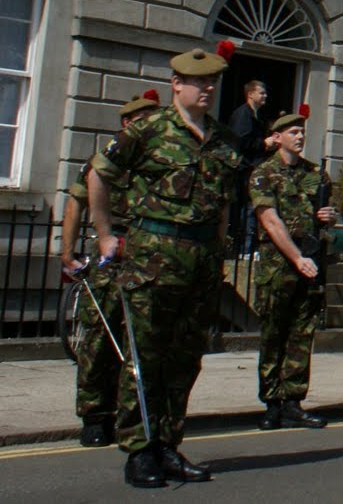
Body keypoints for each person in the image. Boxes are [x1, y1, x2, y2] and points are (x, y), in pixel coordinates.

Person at [88, 42, 244, 488]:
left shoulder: (222, 140)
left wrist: (219, 254)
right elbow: (99, 174)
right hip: (152, 261)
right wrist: (105, 235)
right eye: (198, 82)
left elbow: (221, 206)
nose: (207, 89)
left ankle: (168, 444)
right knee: (144, 358)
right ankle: (139, 450)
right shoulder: (150, 130)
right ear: (176, 84)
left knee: (185, 359)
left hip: (200, 263)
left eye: (212, 82)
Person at [60, 91, 160, 447]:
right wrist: (68, 251)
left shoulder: (158, 162)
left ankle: (130, 414)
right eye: (143, 119)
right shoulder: (103, 162)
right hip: (111, 256)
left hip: (148, 255)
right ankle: (94, 413)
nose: (151, 125)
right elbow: (76, 203)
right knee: (100, 338)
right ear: (127, 123)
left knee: (142, 339)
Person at [251, 105, 335, 428]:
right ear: (277, 137)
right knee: (274, 332)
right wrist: (295, 258)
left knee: (302, 332)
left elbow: (324, 216)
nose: (300, 137)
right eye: (293, 132)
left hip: (310, 259)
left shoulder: (316, 174)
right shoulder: (263, 173)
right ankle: (271, 401)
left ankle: (293, 400)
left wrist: (328, 217)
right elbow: (269, 221)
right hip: (279, 263)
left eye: (302, 132)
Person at [227, 81, 277, 253]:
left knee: (250, 208)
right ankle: (244, 249)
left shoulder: (256, 115)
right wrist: (264, 143)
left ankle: (248, 247)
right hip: (244, 170)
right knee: (247, 209)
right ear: (250, 94)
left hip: (251, 168)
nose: (265, 96)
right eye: (261, 93)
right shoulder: (244, 115)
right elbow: (241, 142)